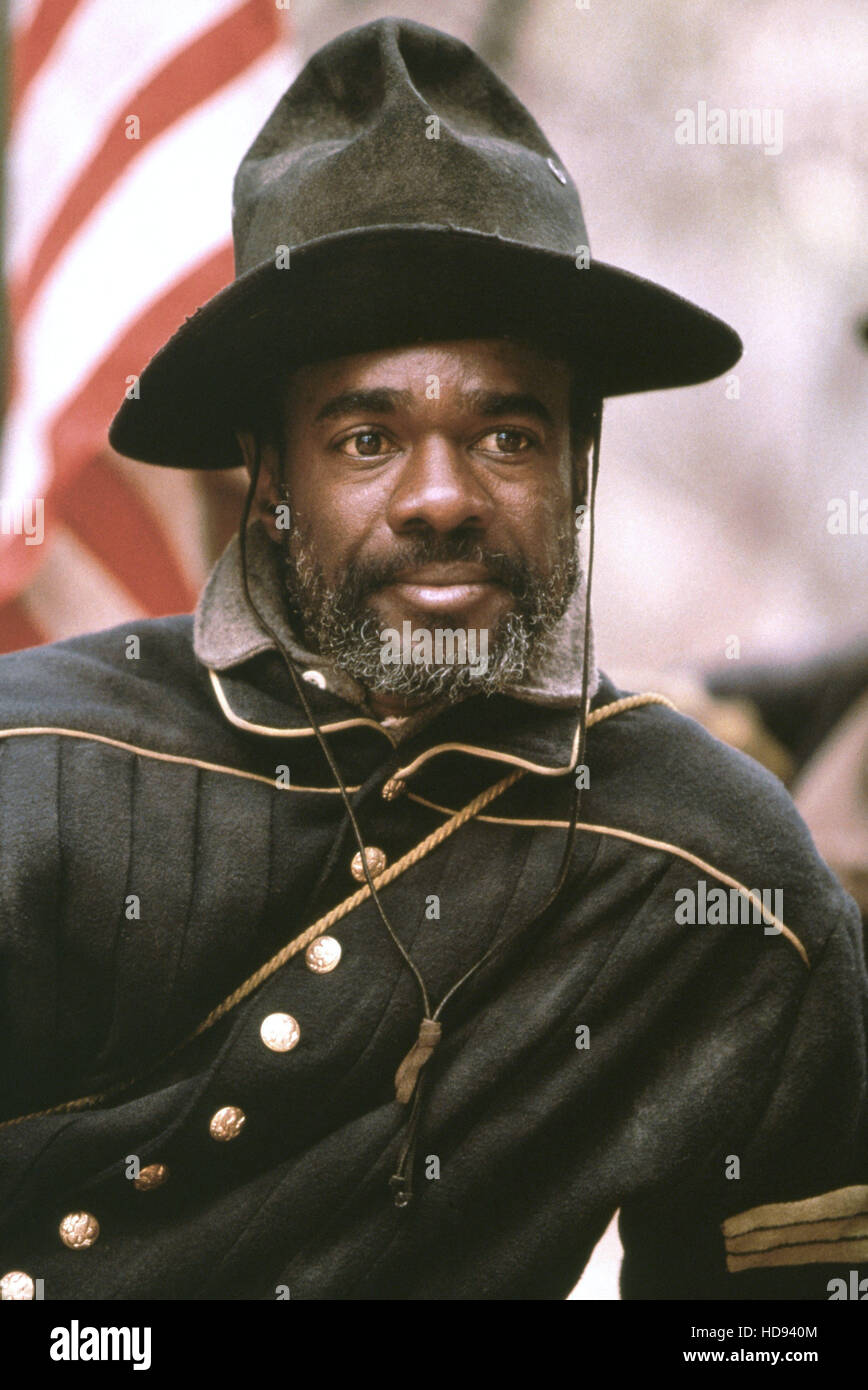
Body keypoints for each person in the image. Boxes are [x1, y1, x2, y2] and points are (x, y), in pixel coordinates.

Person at [0, 18, 865, 1302]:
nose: (441, 496)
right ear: (267, 469)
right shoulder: (31, 768)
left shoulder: (726, 881)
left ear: (577, 462)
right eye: (364, 438)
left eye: (506, 435)